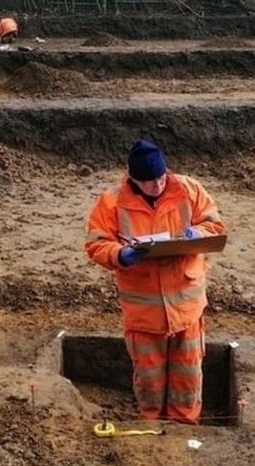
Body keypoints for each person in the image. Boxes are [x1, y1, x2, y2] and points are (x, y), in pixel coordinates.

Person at [84, 139, 227, 425]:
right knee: (149, 376)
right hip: (144, 314)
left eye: (161, 178)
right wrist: (121, 254)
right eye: (148, 182)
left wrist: (196, 234)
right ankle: (151, 426)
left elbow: (215, 225)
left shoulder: (188, 189)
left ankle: (184, 426)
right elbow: (97, 245)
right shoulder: (111, 202)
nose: (157, 186)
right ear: (133, 177)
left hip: (187, 307)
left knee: (187, 375)